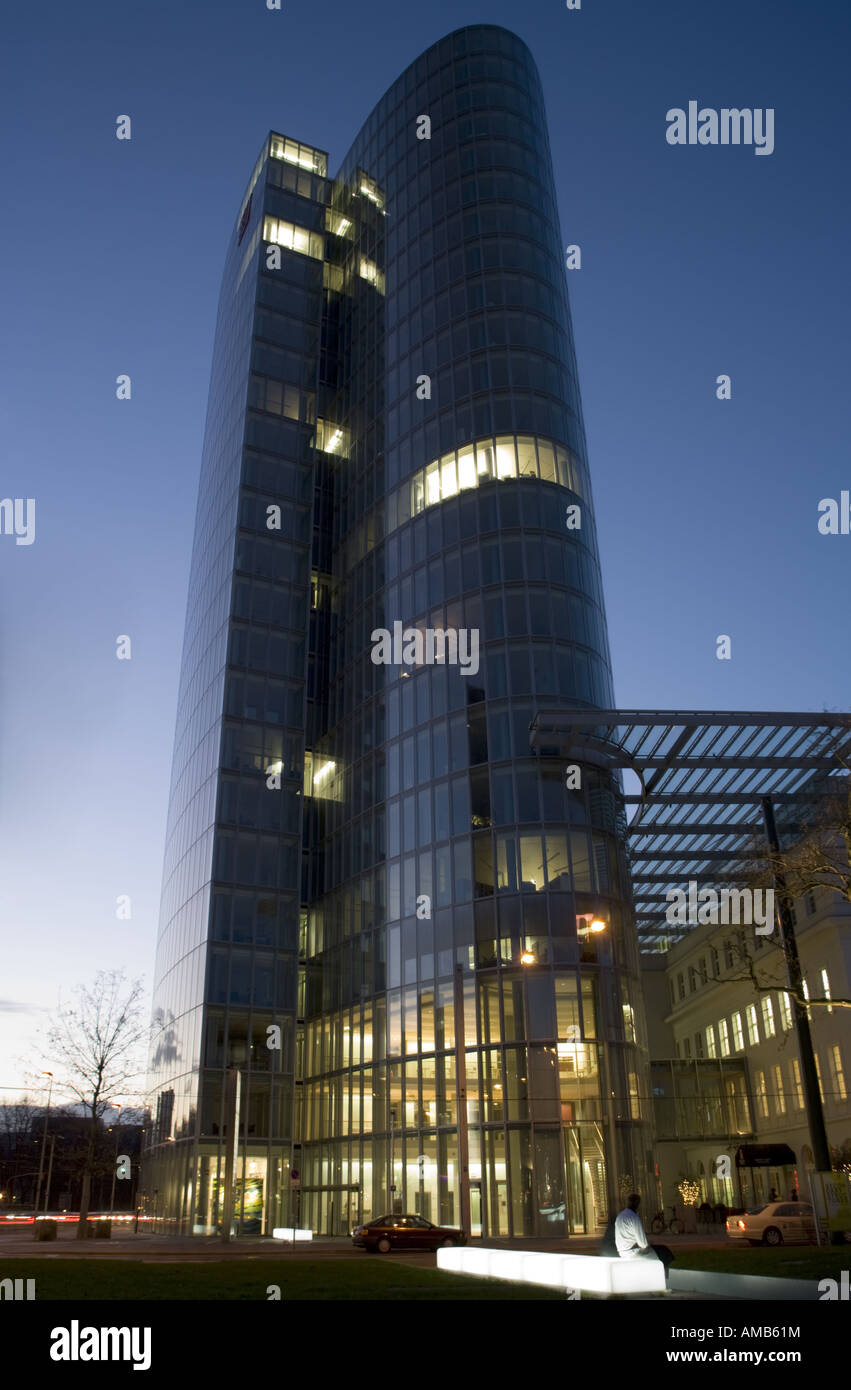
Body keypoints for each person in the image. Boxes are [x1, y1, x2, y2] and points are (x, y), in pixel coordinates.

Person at [614, 1193, 674, 1280]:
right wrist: (648, 1244)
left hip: (622, 1251)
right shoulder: (634, 1218)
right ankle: (663, 1281)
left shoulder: (620, 1216)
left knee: (659, 1250)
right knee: (664, 1253)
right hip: (634, 1252)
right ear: (637, 1203)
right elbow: (643, 1244)